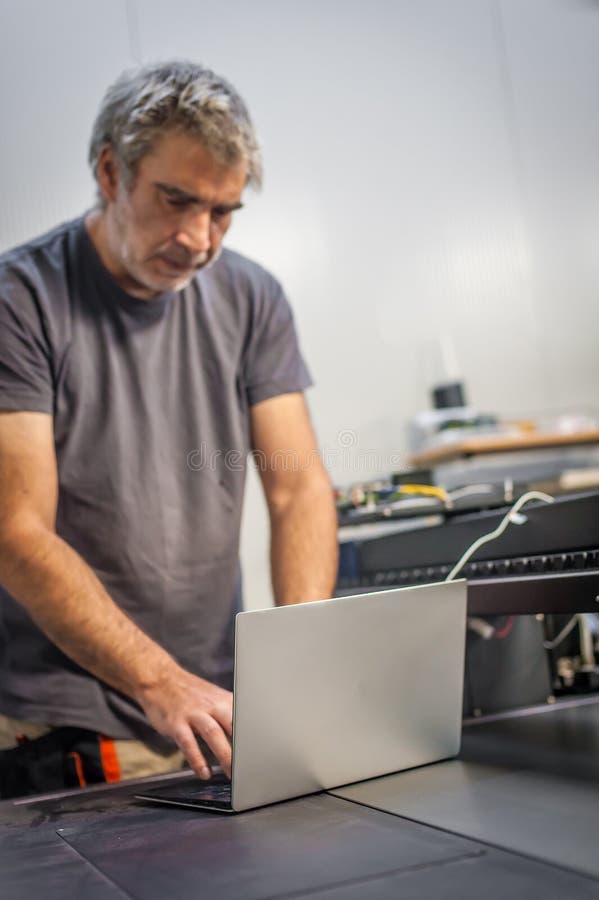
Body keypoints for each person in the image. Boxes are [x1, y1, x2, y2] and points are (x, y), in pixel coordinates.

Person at [0, 61, 338, 798]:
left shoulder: (251, 298)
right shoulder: (19, 301)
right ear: (111, 171)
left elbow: (296, 487)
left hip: (212, 712)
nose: (197, 239)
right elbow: (15, 531)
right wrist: (160, 682)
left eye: (222, 211)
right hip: (67, 725)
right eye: (176, 200)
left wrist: (303, 665)